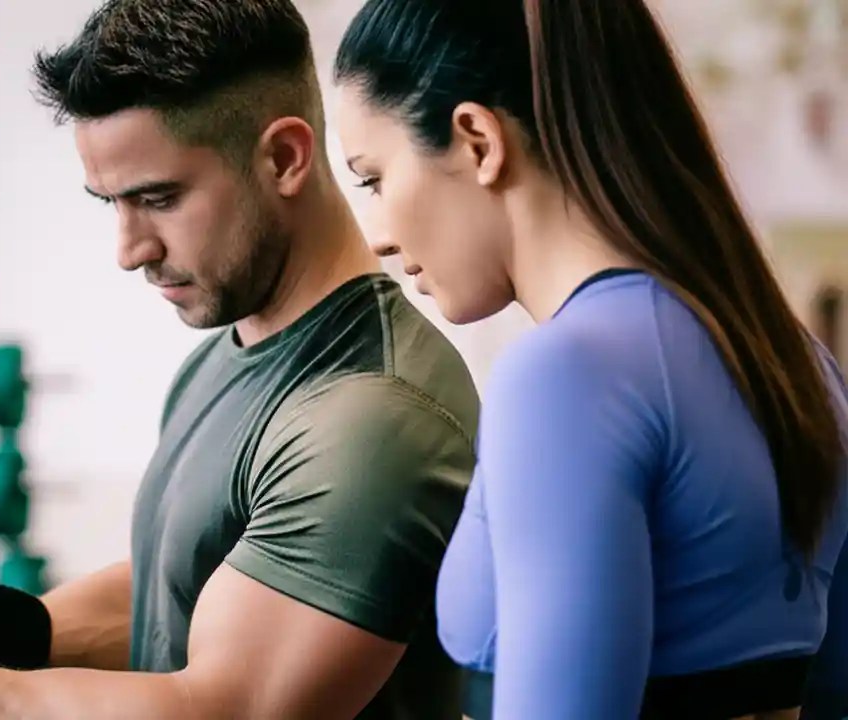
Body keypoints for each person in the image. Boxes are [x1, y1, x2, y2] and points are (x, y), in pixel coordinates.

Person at [0, 1, 482, 717]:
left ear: (283, 157)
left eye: (157, 197)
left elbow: (228, 709)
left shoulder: (370, 415)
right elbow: (181, 592)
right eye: (110, 203)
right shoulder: (231, 350)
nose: (130, 251)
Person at [331, 0, 848, 718]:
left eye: (373, 177)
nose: (379, 235)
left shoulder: (565, 379)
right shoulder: (805, 368)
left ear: (478, 139)